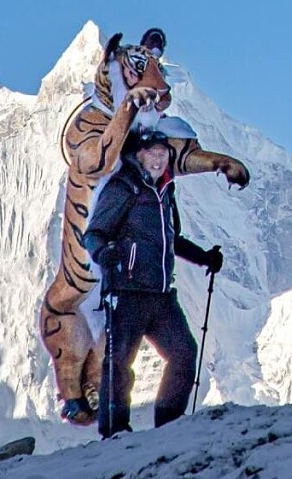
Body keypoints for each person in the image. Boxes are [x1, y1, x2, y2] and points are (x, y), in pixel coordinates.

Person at [83, 130, 223, 439]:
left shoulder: (166, 193)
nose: (159, 158)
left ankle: (169, 424)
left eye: (164, 153)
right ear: (139, 155)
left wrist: (204, 258)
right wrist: (105, 254)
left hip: (161, 295)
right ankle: (114, 431)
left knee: (184, 352)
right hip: (127, 291)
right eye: (153, 153)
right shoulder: (124, 188)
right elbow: (93, 233)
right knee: (119, 362)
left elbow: (174, 240)